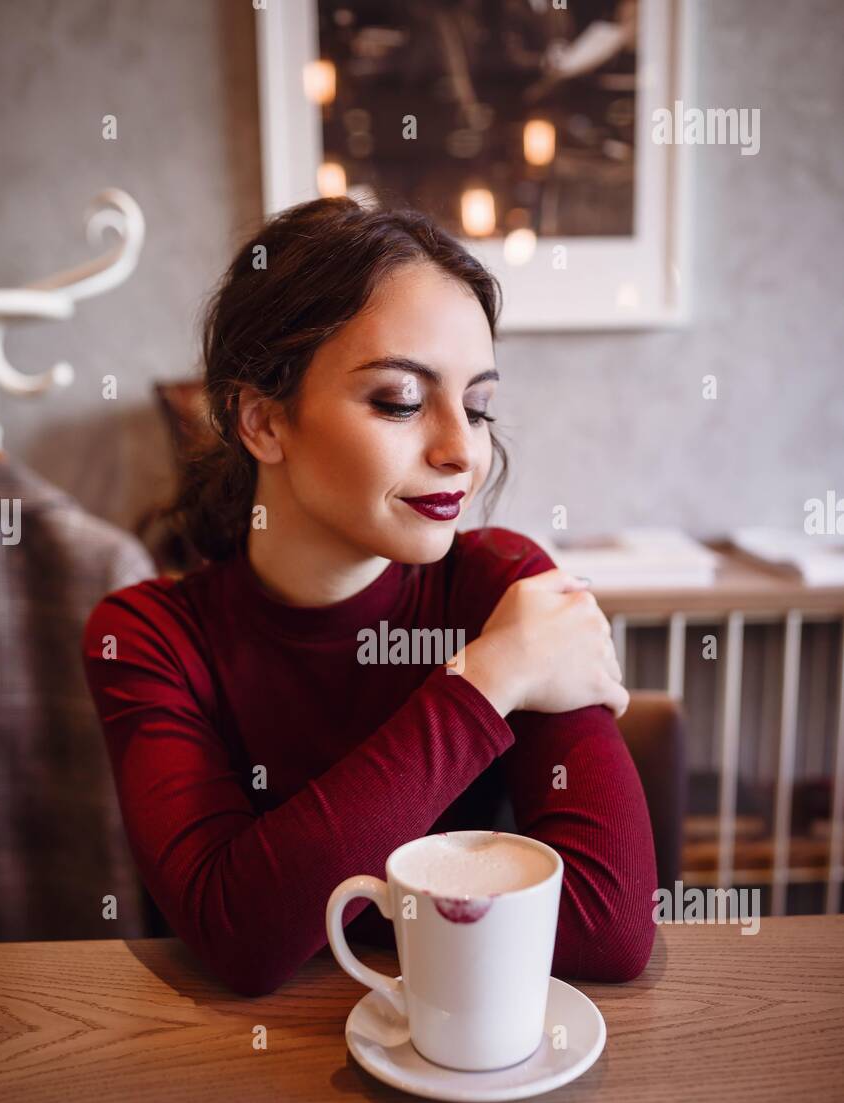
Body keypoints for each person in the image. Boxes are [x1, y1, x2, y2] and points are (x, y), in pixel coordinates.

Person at [81, 196, 657, 998]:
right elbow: (237, 937)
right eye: (400, 401)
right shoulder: (146, 637)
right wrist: (487, 683)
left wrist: (312, 906)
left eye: (479, 406)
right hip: (244, 1083)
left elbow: (611, 926)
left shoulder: (504, 588)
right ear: (262, 421)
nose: (463, 451)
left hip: (467, 1070)